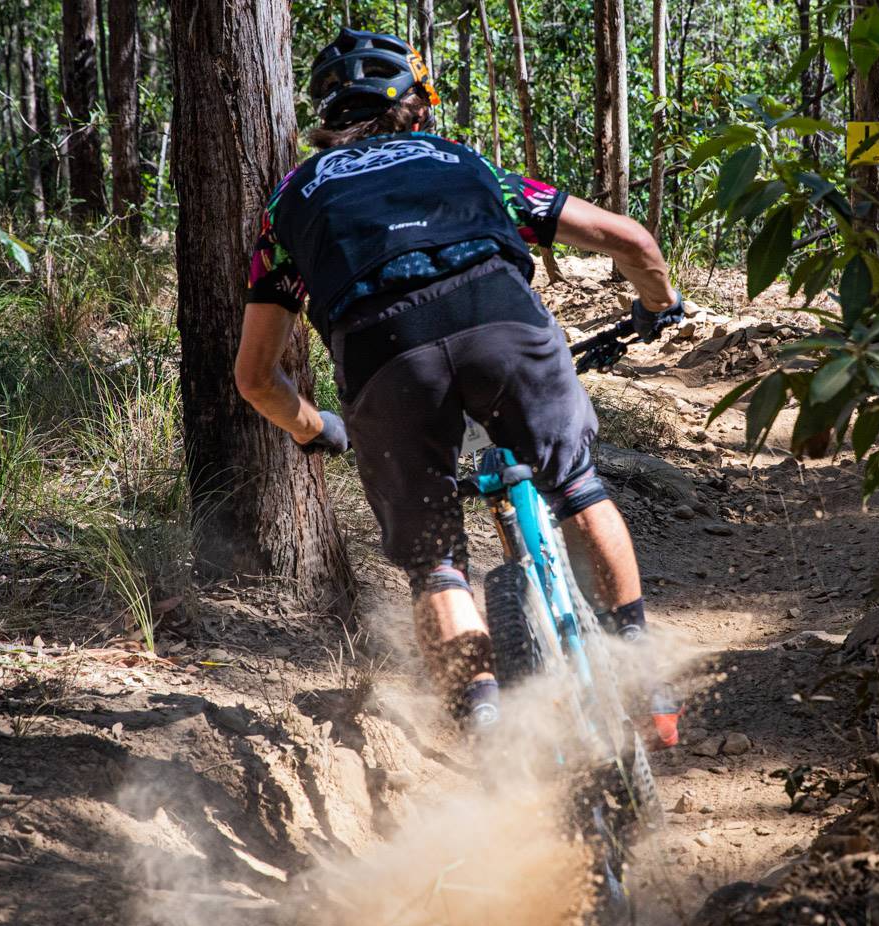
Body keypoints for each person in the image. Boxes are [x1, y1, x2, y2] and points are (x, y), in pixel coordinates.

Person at [234, 28, 684, 743]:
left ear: (329, 114)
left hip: (384, 356)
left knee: (435, 561)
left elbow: (255, 377)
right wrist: (659, 305)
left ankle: (489, 745)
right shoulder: (461, 160)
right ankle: (644, 679)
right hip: (498, 320)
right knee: (576, 486)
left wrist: (315, 427)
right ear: (410, 105)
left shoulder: (292, 202)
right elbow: (631, 241)